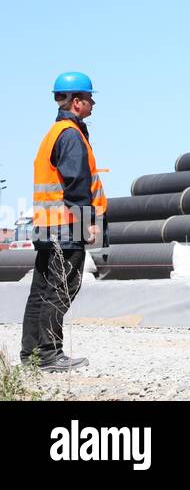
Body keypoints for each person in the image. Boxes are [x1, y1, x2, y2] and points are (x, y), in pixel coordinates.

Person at [21, 72, 107, 372]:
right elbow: (77, 185)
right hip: (66, 226)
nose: (93, 102)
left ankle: (31, 356)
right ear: (76, 101)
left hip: (48, 227)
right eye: (89, 97)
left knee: (42, 291)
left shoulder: (54, 133)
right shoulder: (70, 134)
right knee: (62, 289)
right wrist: (90, 223)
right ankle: (49, 355)